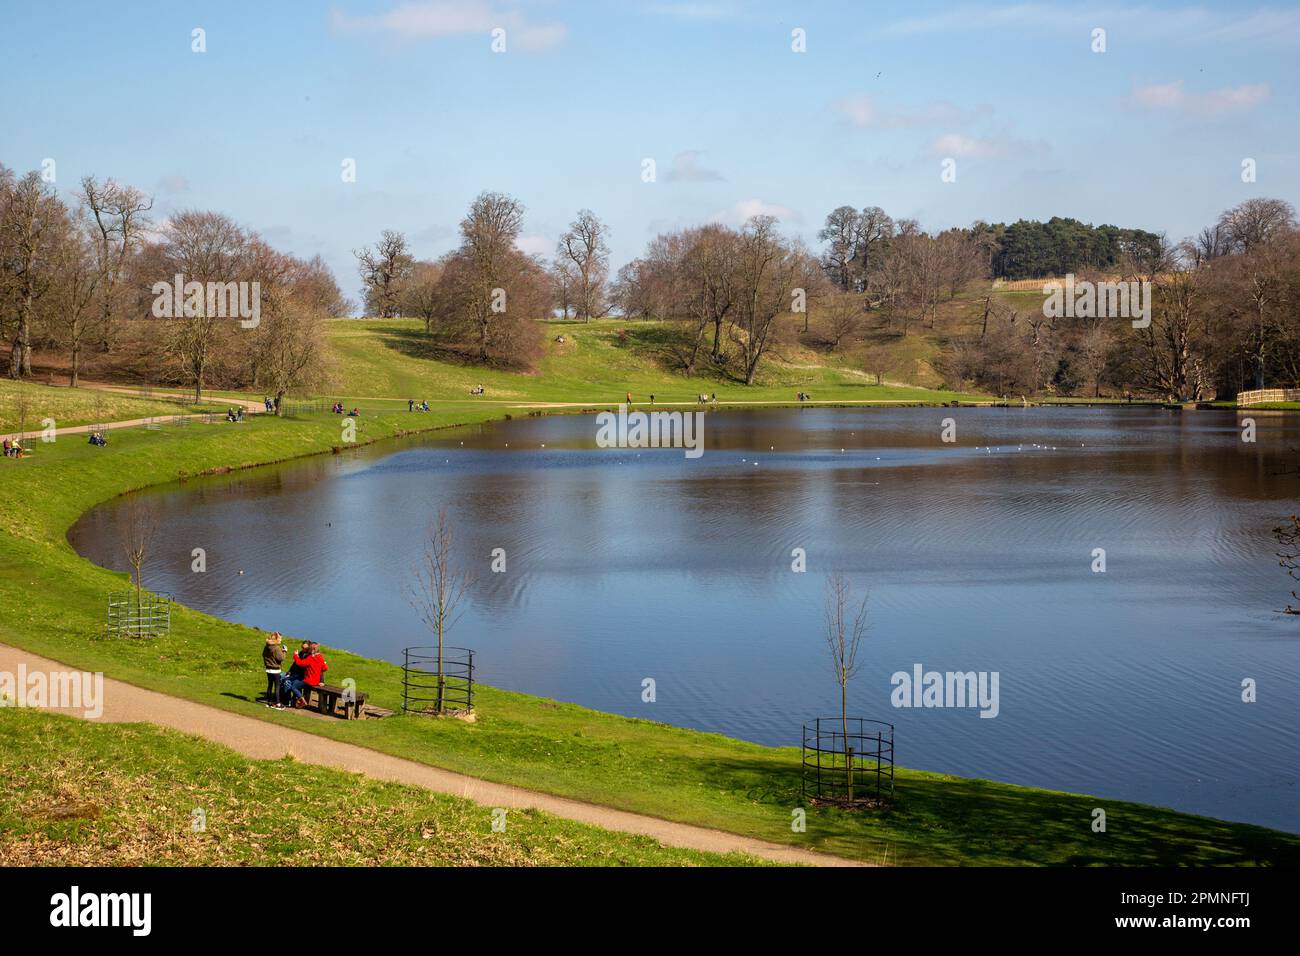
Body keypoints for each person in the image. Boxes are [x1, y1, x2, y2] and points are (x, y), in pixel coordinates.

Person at [279, 641, 312, 708]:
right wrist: (289, 672)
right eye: (302, 647)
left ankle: (287, 700)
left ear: (309, 648)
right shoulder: (301, 653)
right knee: (280, 675)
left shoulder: (309, 656)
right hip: (294, 674)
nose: (303, 649)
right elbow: (294, 664)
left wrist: (321, 681)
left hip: (300, 677)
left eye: (305, 648)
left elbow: (301, 665)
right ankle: (280, 696)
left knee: (287, 681)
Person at [262, 632, 286, 706]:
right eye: (280, 638)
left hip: (268, 668)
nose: (281, 640)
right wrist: (284, 651)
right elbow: (281, 658)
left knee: (270, 685)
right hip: (275, 669)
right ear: (277, 639)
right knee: (277, 686)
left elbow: (263, 655)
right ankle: (278, 703)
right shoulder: (276, 648)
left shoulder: (266, 646)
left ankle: (269, 701)